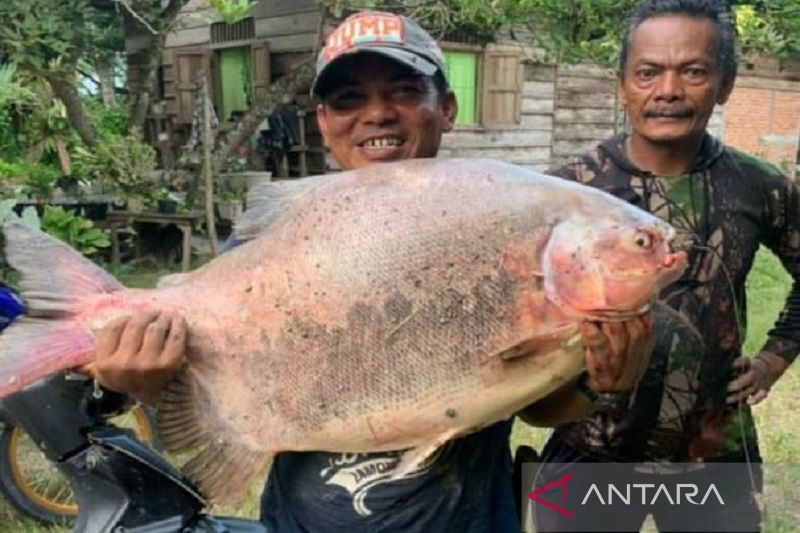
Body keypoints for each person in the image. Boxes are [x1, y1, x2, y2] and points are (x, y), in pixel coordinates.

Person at [85, 11, 649, 533]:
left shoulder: (496, 216)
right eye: (349, 98)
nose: (377, 113)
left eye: (404, 91)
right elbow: (209, 390)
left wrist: (605, 383)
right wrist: (144, 382)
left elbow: (535, 403)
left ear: (447, 107)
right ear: (323, 122)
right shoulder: (277, 239)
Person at [530, 1, 800, 532]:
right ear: (623, 84)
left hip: (714, 452)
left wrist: (775, 356)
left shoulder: (758, 186)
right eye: (648, 72)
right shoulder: (566, 193)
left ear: (724, 85)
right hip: (590, 443)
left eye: (694, 71)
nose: (669, 90)